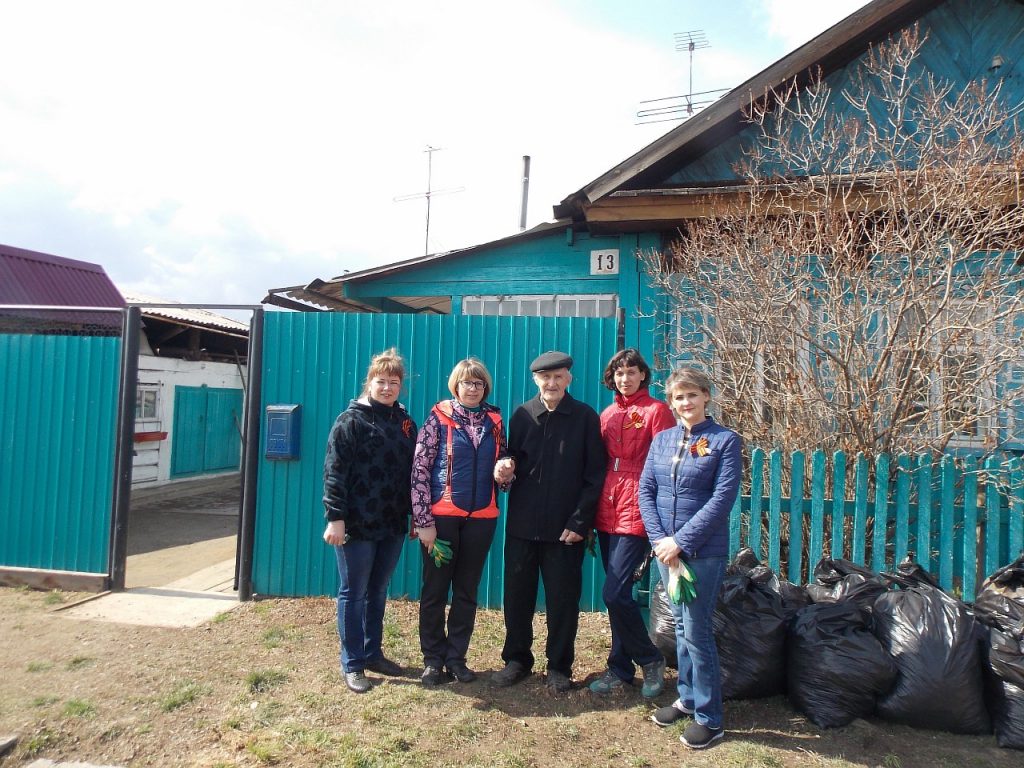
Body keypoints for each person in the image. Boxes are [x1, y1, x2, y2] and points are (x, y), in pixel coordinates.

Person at [639, 366, 741, 750]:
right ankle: (688, 698)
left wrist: (680, 542)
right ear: (671, 402)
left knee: (697, 632)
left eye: (692, 395)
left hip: (701, 554)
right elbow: (646, 490)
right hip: (666, 552)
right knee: (680, 628)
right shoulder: (663, 440)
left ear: (706, 396)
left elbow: (721, 500)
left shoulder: (725, 441)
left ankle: (711, 719)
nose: (686, 402)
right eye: (679, 397)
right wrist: (659, 540)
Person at [492, 350, 606, 692]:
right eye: (545, 377)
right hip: (523, 526)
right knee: (517, 597)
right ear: (535, 380)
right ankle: (517, 660)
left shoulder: (585, 417)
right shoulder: (522, 415)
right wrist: (505, 467)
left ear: (569, 378)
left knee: (563, 601)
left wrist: (580, 522)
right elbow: (512, 458)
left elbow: (595, 476)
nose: (552, 383)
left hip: (565, 530)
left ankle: (559, 667)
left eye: (558, 377)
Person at [323, 348, 418, 694]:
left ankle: (372, 652)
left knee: (378, 590)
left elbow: (415, 472)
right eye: (381, 381)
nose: (387, 388)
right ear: (370, 382)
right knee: (354, 592)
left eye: (394, 382)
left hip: (392, 522)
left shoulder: (405, 423)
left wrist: (415, 514)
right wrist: (335, 518)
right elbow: (334, 472)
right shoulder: (350, 421)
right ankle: (353, 663)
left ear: (400, 386)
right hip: (357, 524)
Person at [410, 358, 509, 686]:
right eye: (467, 382)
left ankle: (456, 658)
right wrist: (423, 520)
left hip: (482, 518)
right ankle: (433, 660)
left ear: (485, 388)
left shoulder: (495, 421)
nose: (473, 388)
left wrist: (506, 472)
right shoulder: (438, 418)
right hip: (442, 519)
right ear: (456, 385)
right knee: (435, 590)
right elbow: (420, 470)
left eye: (479, 383)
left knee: (467, 591)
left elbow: (504, 468)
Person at [589, 349, 677, 699]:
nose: (625, 378)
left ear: (643, 375)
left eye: (631, 372)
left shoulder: (657, 411)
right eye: (619, 373)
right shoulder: (607, 414)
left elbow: (666, 463)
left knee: (614, 592)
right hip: (606, 504)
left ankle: (650, 658)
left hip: (639, 506)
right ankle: (619, 668)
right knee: (618, 595)